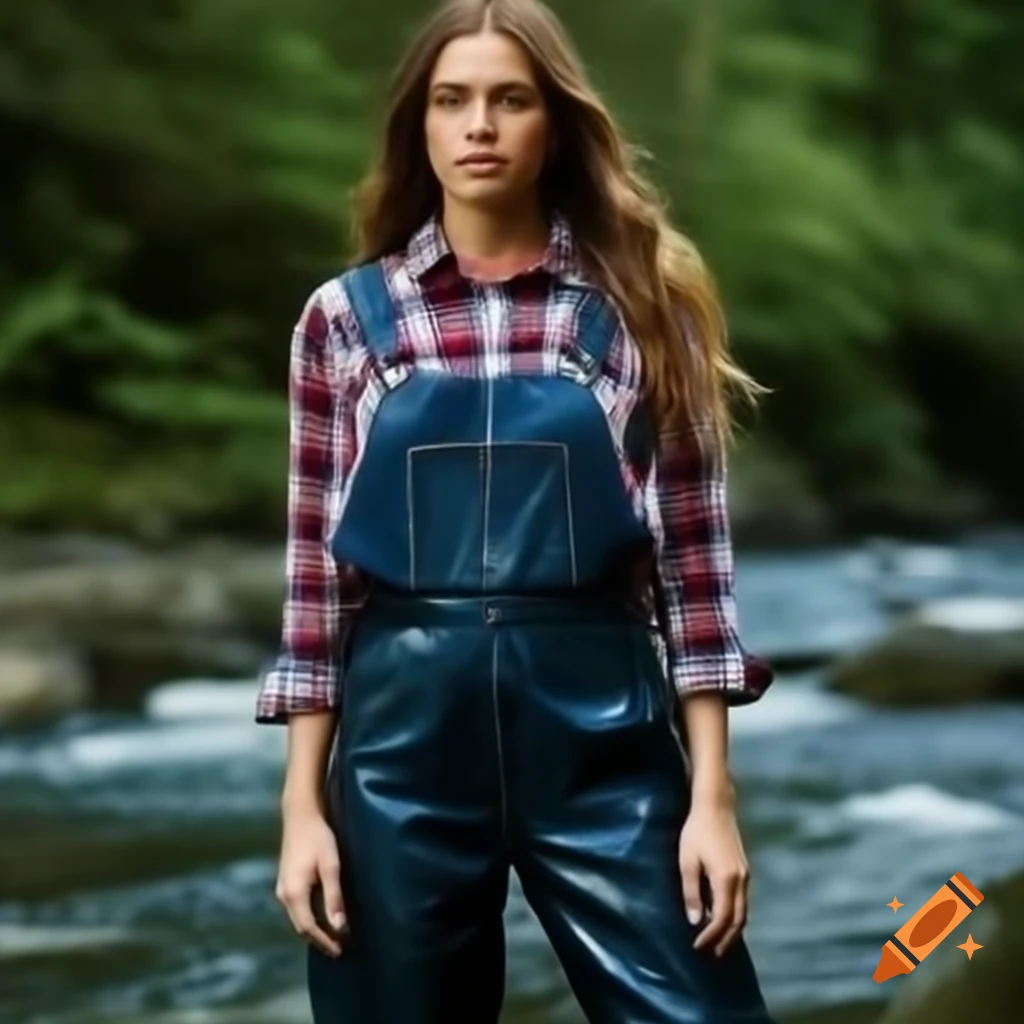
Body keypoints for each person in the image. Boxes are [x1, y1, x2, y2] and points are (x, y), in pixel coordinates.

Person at [254, 0, 778, 1021]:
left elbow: (695, 571)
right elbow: (316, 583)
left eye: (511, 100)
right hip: (399, 747)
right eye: (452, 100)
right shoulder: (341, 320)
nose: (480, 126)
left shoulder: (645, 308)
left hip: (602, 735)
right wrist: (301, 808)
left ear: (556, 122)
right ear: (419, 124)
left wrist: (712, 799)